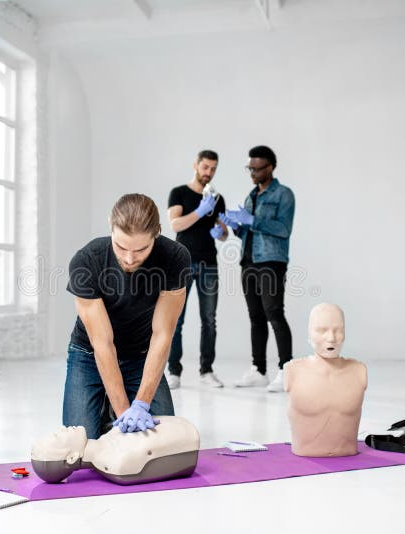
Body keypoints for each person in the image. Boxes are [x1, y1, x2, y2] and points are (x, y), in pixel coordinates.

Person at [63, 193, 191, 439]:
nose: (130, 258)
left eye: (141, 249)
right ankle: (107, 411)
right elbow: (103, 344)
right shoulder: (86, 261)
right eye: (121, 247)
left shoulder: (175, 257)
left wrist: (141, 404)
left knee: (166, 439)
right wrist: (124, 416)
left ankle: (115, 407)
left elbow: (163, 335)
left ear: (157, 233)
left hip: (141, 354)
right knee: (82, 442)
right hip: (88, 354)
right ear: (111, 227)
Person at [219, 145, 295, 392]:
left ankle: (286, 369)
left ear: (270, 167)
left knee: (274, 312)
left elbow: (283, 229)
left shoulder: (283, 194)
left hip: (271, 261)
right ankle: (259, 370)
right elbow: (247, 233)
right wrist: (236, 226)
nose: (252, 173)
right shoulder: (251, 196)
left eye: (257, 168)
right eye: (249, 168)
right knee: (256, 317)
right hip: (248, 261)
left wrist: (252, 220)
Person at [166, 149, 228, 389]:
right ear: (196, 165)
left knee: (209, 320)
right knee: (176, 319)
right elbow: (175, 224)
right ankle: (174, 372)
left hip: (209, 264)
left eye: (213, 169)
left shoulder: (217, 198)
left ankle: (207, 371)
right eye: (205, 167)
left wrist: (220, 232)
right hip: (182, 263)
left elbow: (223, 233)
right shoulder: (179, 193)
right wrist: (200, 211)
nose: (208, 173)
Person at [284, 303, 367, 457]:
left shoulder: (359, 370)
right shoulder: (292, 371)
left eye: (339, 330)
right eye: (322, 330)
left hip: (347, 455)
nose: (331, 338)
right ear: (309, 334)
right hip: (306, 457)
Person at [31, 416, 200, 485]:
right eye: (58, 437)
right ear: (72, 458)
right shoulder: (117, 462)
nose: (62, 428)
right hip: (187, 436)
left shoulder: (108, 440)